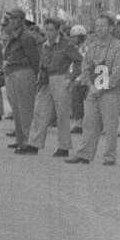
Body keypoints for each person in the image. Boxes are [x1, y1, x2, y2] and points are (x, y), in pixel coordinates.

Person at [66, 14, 120, 168]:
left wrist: (102, 88)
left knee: (110, 125)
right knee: (89, 123)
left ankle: (109, 156)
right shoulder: (92, 47)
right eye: (97, 26)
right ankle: (84, 154)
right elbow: (85, 68)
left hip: (110, 93)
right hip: (93, 91)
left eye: (102, 26)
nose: (99, 29)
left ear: (111, 28)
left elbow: (118, 73)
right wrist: (91, 86)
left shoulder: (118, 47)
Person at [20, 18, 83, 156]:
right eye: (46, 29)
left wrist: (71, 77)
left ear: (58, 30)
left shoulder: (66, 45)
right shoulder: (45, 46)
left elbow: (79, 61)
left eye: (51, 30)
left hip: (60, 77)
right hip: (46, 79)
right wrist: (40, 79)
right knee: (39, 110)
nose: (48, 33)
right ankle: (34, 143)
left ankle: (63, 146)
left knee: (62, 114)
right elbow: (42, 63)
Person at [2, 9, 41, 152]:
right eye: (9, 18)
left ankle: (29, 143)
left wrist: (38, 78)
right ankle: (21, 140)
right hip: (13, 73)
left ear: (20, 20)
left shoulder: (26, 37)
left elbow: (35, 59)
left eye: (13, 19)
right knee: (17, 110)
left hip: (24, 73)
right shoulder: (15, 37)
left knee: (25, 110)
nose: (10, 22)